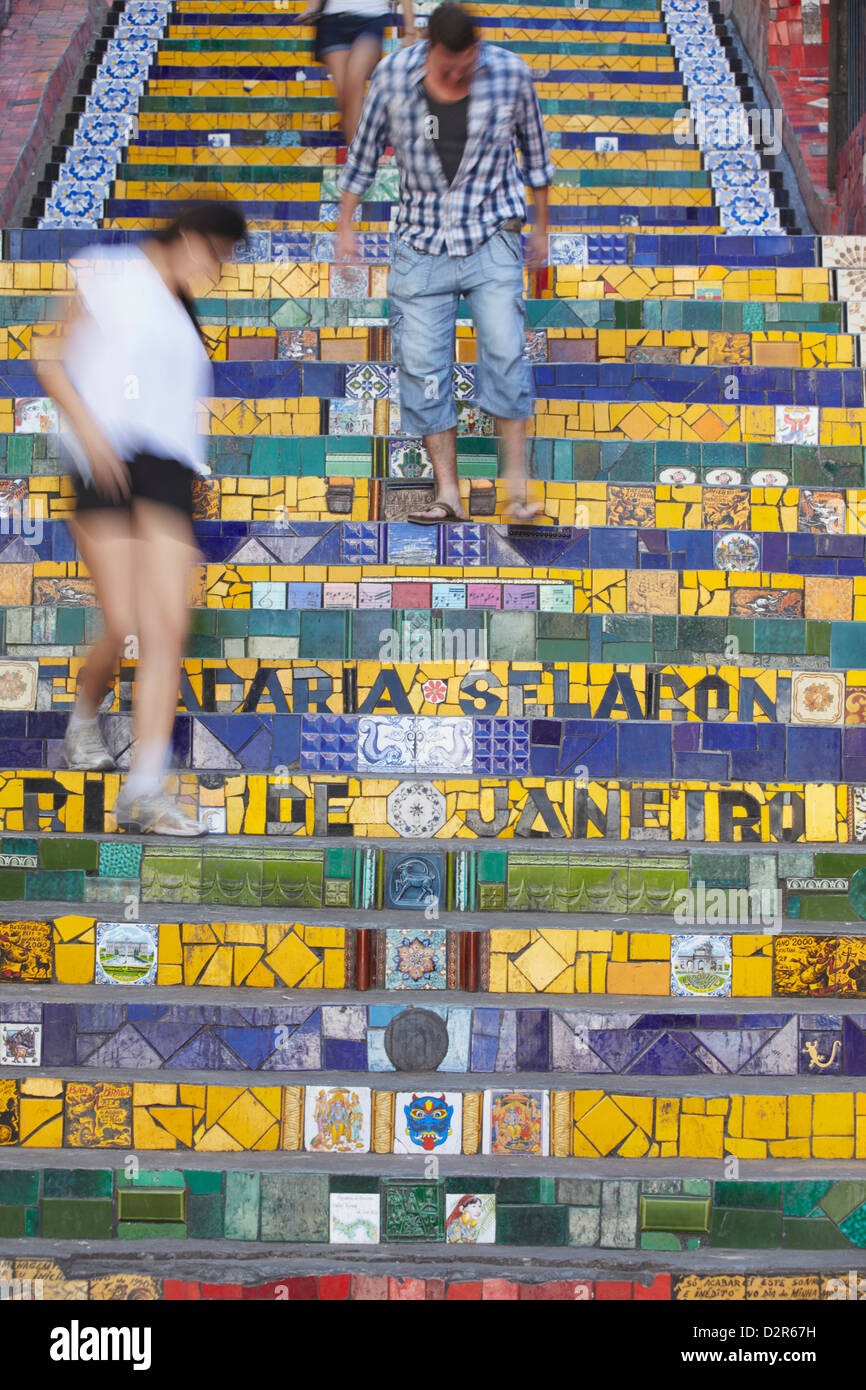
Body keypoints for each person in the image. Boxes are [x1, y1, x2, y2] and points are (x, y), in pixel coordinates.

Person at [34, 200, 248, 836]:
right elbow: (49, 357)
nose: (217, 269)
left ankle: (145, 792)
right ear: (188, 236)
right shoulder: (111, 270)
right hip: (105, 461)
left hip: (167, 473)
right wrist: (91, 435)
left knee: (165, 628)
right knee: (123, 623)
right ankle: (81, 720)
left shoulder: (184, 315)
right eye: (215, 252)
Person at [336, 1, 552, 524]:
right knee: (423, 369)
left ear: (477, 50)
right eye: (446, 70)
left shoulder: (510, 75)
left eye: (465, 68)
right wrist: (345, 224)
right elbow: (363, 155)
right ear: (427, 49)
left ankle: (518, 493)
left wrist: (541, 226)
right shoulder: (391, 77)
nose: (457, 77)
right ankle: (448, 492)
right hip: (420, 245)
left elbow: (537, 156)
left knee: (503, 350)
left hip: (491, 236)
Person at [298, 0, 418, 144]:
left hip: (371, 19)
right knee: (344, 99)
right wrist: (313, 6)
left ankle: (360, 163)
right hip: (332, 21)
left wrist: (410, 31)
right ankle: (355, 157)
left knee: (354, 85)